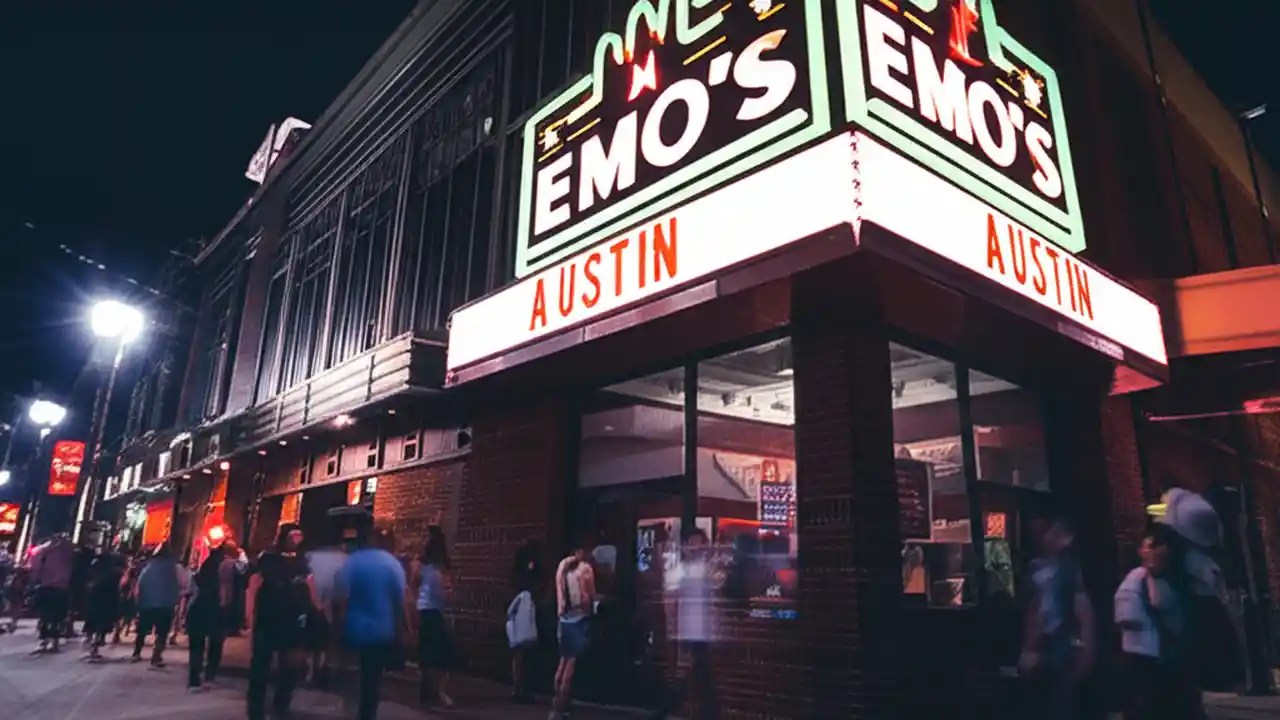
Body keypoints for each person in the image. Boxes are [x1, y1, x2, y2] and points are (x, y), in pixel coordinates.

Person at [1115, 525, 1197, 720]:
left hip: (1159, 658)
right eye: (1148, 548)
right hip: (1150, 658)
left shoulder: (1167, 581)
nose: (1150, 553)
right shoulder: (1139, 578)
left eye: (1155, 547)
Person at [1017, 518, 1095, 720]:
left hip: (1061, 647)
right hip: (1049, 646)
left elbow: (1081, 610)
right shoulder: (1038, 567)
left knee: (1059, 703)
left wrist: (1085, 648)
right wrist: (1030, 647)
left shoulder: (1070, 569)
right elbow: (1035, 610)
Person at [247, 523, 319, 720]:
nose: (296, 540)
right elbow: (254, 585)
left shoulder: (301, 560)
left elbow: (309, 584)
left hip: (292, 619)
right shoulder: (268, 557)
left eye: (299, 536)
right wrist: (249, 614)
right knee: (260, 667)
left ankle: (282, 704)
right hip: (267, 618)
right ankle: (256, 710)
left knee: (289, 667)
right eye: (293, 536)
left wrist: (316, 609)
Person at [336, 524, 408, 720]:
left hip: (353, 627)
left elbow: (342, 596)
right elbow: (399, 601)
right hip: (381, 629)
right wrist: (404, 631)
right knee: (372, 677)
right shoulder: (393, 565)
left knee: (351, 674)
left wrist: (338, 624)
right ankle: (367, 713)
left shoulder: (353, 561)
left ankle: (348, 707)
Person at [650, 528, 719, 720]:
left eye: (700, 543)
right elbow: (669, 600)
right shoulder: (681, 570)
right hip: (688, 630)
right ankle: (672, 708)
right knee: (690, 671)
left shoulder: (707, 569)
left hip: (701, 631)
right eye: (693, 543)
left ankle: (674, 709)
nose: (697, 547)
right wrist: (672, 627)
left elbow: (716, 595)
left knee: (696, 672)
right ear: (687, 545)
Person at [550, 533, 597, 720]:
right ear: (582, 550)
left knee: (562, 662)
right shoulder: (585, 569)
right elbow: (590, 595)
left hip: (563, 620)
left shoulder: (561, 567)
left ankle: (556, 702)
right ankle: (562, 707)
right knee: (571, 666)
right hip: (579, 619)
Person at [186, 541, 235, 692]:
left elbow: (197, 582)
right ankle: (209, 675)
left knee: (197, 645)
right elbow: (229, 589)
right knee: (216, 643)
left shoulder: (207, 564)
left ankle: (194, 679)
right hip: (217, 608)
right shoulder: (228, 565)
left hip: (198, 606)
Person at [417, 525, 456, 708]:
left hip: (423, 611)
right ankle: (438, 691)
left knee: (427, 654)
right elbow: (445, 595)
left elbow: (414, 587)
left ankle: (427, 691)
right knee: (443, 656)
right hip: (436, 612)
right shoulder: (441, 570)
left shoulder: (421, 567)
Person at [306, 536, 348, 687]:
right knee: (326, 642)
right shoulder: (343, 561)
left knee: (314, 643)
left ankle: (312, 672)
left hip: (314, 608)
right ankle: (323, 670)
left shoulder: (310, 560)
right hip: (328, 609)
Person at [133, 544, 181, 667]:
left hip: (147, 604)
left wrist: (138, 601)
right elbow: (181, 584)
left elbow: (140, 585)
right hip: (166, 605)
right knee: (162, 631)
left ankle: (137, 652)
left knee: (142, 630)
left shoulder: (148, 568)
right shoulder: (175, 568)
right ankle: (156, 656)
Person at [508, 539, 543, 704]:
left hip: (518, 614)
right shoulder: (527, 587)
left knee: (518, 653)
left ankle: (518, 687)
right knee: (525, 653)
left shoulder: (516, 580)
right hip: (526, 612)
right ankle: (522, 688)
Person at [30, 534, 74, 653]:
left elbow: (35, 564)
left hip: (48, 586)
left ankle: (46, 641)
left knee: (46, 616)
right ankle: (54, 642)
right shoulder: (68, 552)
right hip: (60, 588)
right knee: (57, 617)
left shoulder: (46, 551)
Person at [84, 551, 125, 661]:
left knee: (93, 621)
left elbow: (89, 582)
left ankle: (92, 642)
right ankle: (95, 643)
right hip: (107, 601)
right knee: (101, 624)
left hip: (95, 599)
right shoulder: (113, 573)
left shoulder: (95, 567)